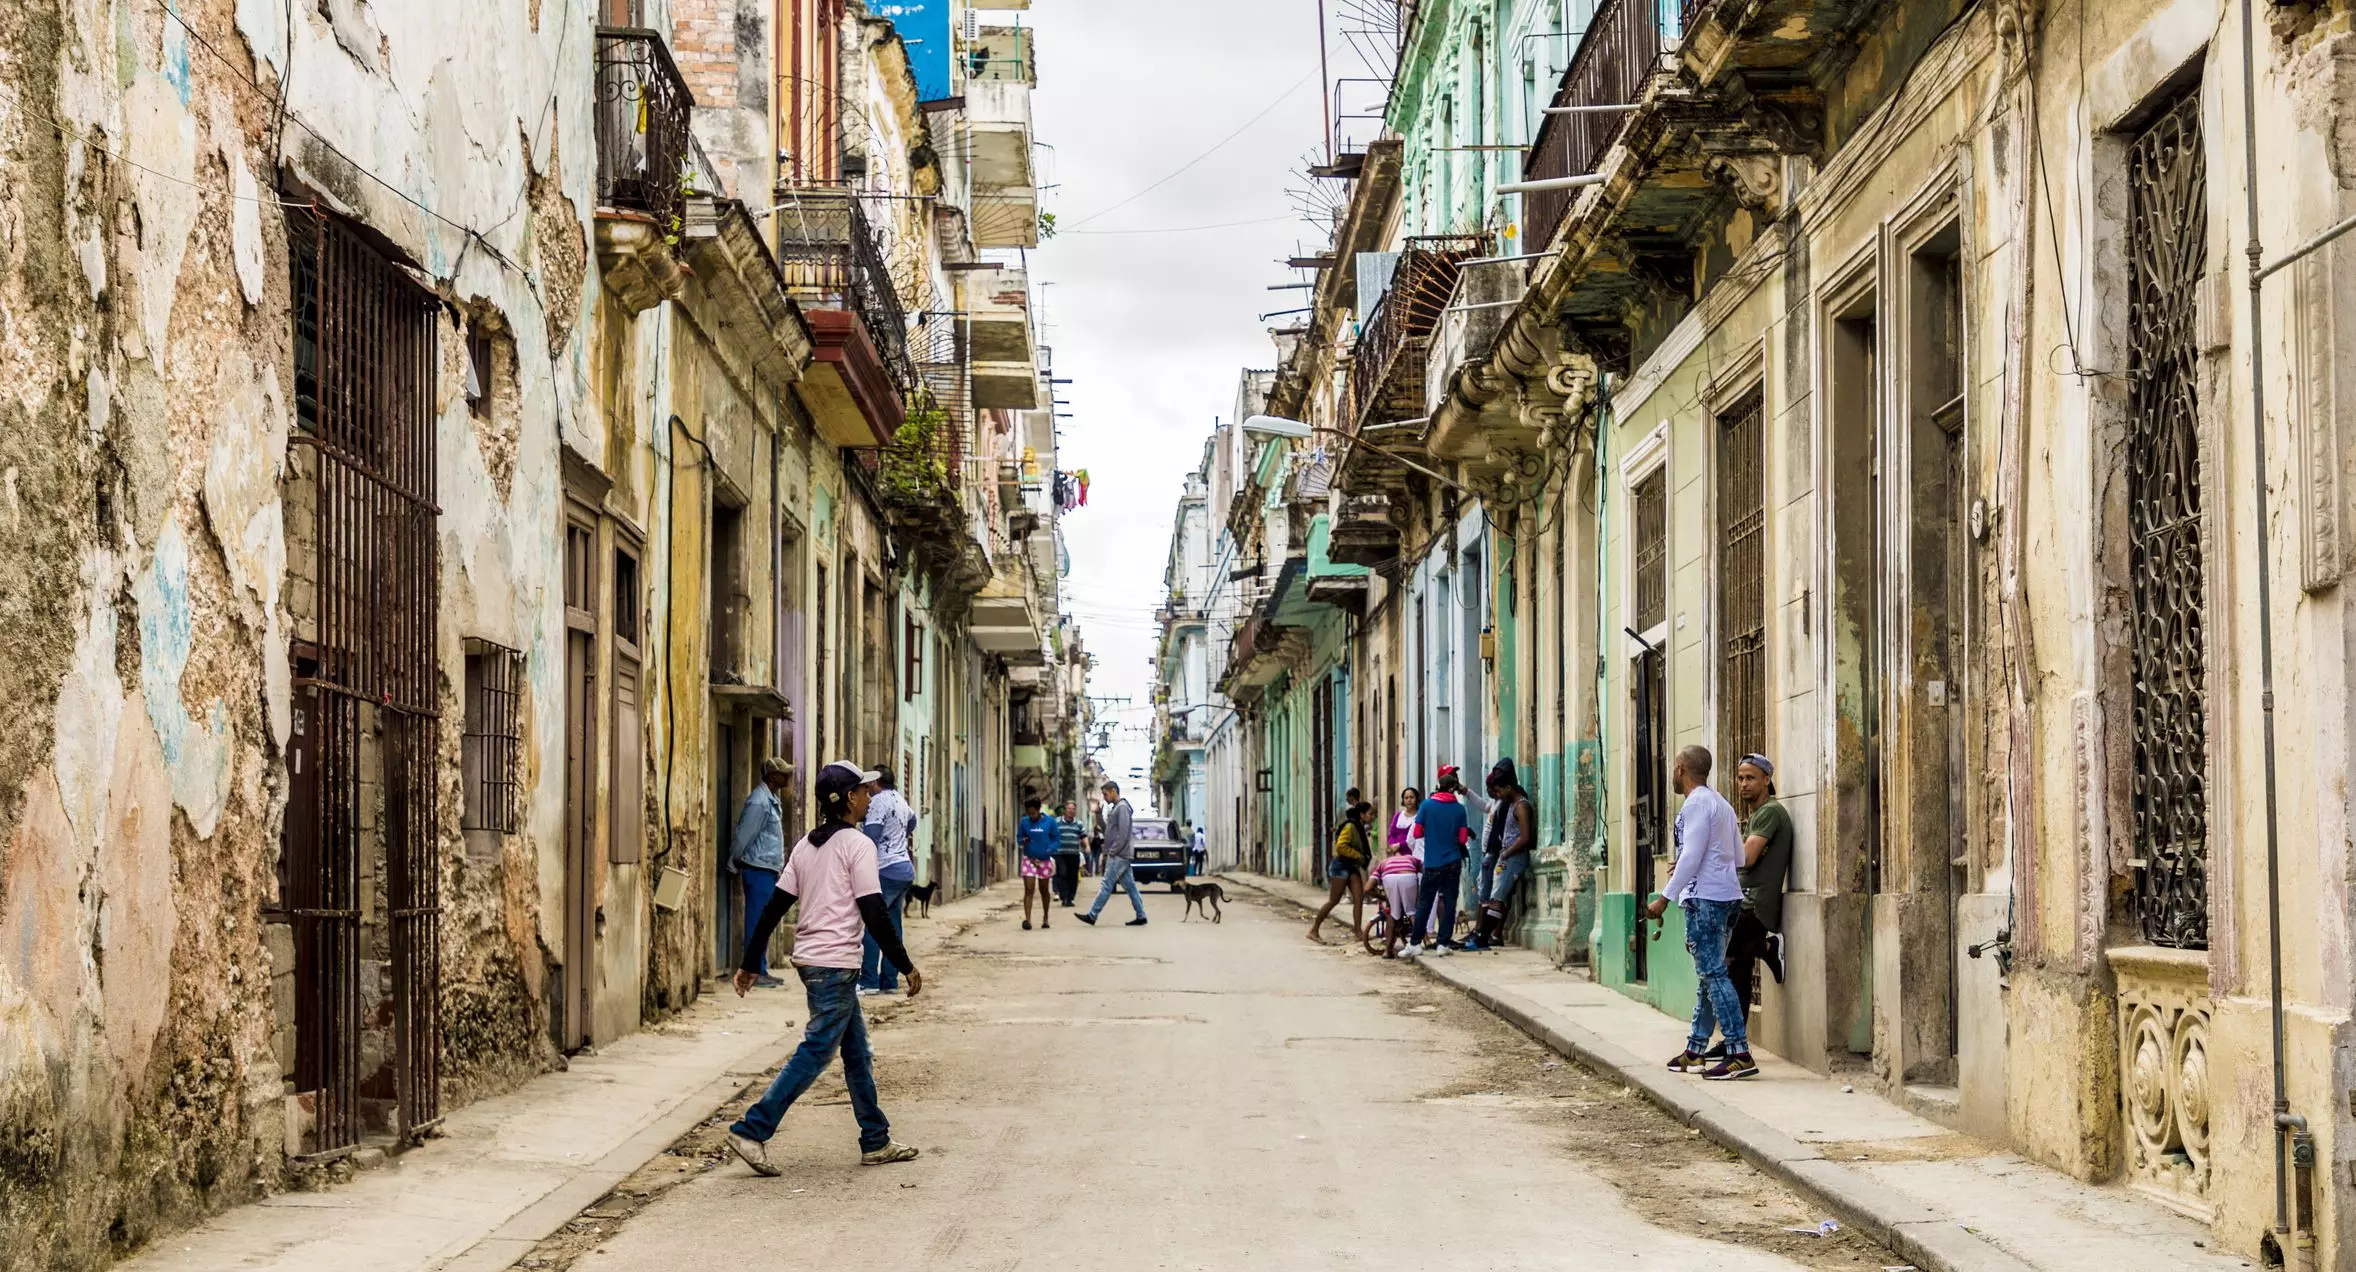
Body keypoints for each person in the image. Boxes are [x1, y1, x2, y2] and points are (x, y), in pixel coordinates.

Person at [727, 761, 923, 1174]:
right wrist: (904, 964)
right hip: (834, 963)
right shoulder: (857, 846)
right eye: (865, 792)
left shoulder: (805, 846)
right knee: (817, 1050)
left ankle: (876, 1139)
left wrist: (749, 960)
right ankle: (752, 1129)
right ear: (849, 798)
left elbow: (773, 909)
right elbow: (873, 910)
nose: (871, 798)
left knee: (856, 1051)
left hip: (814, 961)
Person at [1645, 745, 1757, 1081]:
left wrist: (1665, 897)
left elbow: (1691, 855)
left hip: (1704, 898)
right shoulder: (1721, 804)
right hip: (1727, 897)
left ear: (1679, 769)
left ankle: (1739, 1053)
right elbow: (1738, 857)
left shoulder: (1695, 804)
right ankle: (1696, 1049)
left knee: (1714, 976)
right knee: (1710, 974)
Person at [1702, 753, 1793, 1060]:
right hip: (1743, 902)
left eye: (1750, 778)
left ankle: (1734, 1044)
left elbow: (1746, 858)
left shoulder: (1770, 812)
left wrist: (1705, 858)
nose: (1743, 784)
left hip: (1754, 905)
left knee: (1728, 968)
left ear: (1767, 779)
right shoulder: (1756, 815)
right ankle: (1765, 948)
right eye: (1740, 778)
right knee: (1734, 968)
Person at [729, 756, 794, 988]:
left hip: (766, 869)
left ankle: (761, 968)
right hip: (757, 869)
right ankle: (754, 971)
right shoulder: (759, 802)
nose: (788, 776)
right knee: (757, 922)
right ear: (773, 776)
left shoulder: (771, 799)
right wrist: (734, 860)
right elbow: (745, 835)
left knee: (763, 922)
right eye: (783, 773)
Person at [859, 767, 919, 996]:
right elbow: (912, 823)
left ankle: (869, 981)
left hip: (885, 868)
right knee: (893, 926)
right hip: (904, 868)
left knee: (873, 925)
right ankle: (890, 980)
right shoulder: (900, 801)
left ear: (876, 783)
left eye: (868, 784)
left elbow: (871, 836)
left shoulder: (877, 802)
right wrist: (896, 835)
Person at [1464, 760, 1535, 952]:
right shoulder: (1509, 805)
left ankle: (1484, 937)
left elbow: (1525, 837)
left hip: (1514, 858)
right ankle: (1483, 935)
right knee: (1495, 895)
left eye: (1500, 791)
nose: (1498, 795)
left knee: (1498, 898)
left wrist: (1507, 852)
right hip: (1506, 858)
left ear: (1509, 787)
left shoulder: (1521, 806)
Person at [1405, 767, 1473, 957]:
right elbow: (1462, 840)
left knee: (1424, 903)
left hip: (1432, 862)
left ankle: (1415, 943)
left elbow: (1417, 832)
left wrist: (1433, 832)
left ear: (1439, 787)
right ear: (1452, 788)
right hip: (1453, 862)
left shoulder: (1426, 806)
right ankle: (1443, 944)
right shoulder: (1460, 810)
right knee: (1450, 903)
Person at [1077, 781, 1148, 927]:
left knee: (1106, 885)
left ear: (1114, 791)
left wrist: (1113, 851)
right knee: (1130, 886)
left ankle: (1092, 914)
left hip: (1119, 855)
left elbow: (1123, 833)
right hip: (1121, 854)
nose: (1105, 797)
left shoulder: (1122, 808)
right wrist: (1098, 815)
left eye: (1106, 794)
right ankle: (1141, 915)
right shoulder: (1116, 809)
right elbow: (1107, 830)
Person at [1307, 788, 1370, 944]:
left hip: (1352, 866)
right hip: (1341, 865)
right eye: (1370, 813)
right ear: (1361, 815)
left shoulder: (1359, 827)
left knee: (1358, 898)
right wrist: (1359, 856)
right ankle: (1314, 930)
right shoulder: (1350, 827)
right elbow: (1341, 847)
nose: (1372, 816)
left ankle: (1358, 931)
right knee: (1333, 900)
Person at [1371, 831, 1421, 958]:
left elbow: (1367, 888)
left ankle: (1388, 951)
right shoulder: (1411, 858)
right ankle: (1422, 942)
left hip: (1389, 879)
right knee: (1412, 912)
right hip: (1409, 877)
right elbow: (1423, 873)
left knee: (1393, 914)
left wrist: (1382, 897)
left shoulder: (1384, 863)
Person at [1017, 795, 1059, 930]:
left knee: (1044, 890)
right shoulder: (1024, 822)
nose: (1031, 816)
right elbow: (1019, 838)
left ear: (1039, 810)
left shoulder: (1050, 822)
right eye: (1029, 814)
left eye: (1033, 813)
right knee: (1029, 889)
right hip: (1029, 859)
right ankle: (1027, 919)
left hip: (1044, 860)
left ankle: (1045, 917)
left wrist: (1049, 849)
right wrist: (1023, 840)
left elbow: (1056, 840)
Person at [1053, 800, 1087, 906]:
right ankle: (1064, 897)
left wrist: (1087, 846)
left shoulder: (1079, 823)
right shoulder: (1057, 822)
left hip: (1074, 854)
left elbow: (1083, 836)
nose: (1071, 811)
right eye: (1069, 809)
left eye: (1073, 809)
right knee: (1062, 873)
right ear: (1065, 810)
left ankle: (1070, 898)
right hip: (1060, 853)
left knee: (1073, 876)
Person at [1390, 786, 1424, 863]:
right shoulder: (1398, 816)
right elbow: (1392, 834)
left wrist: (1400, 845)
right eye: (1406, 798)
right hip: (1398, 856)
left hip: (1414, 855)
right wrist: (1394, 848)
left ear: (1416, 799)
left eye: (1412, 797)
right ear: (1403, 800)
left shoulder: (1420, 816)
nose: (1409, 800)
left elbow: (1416, 838)